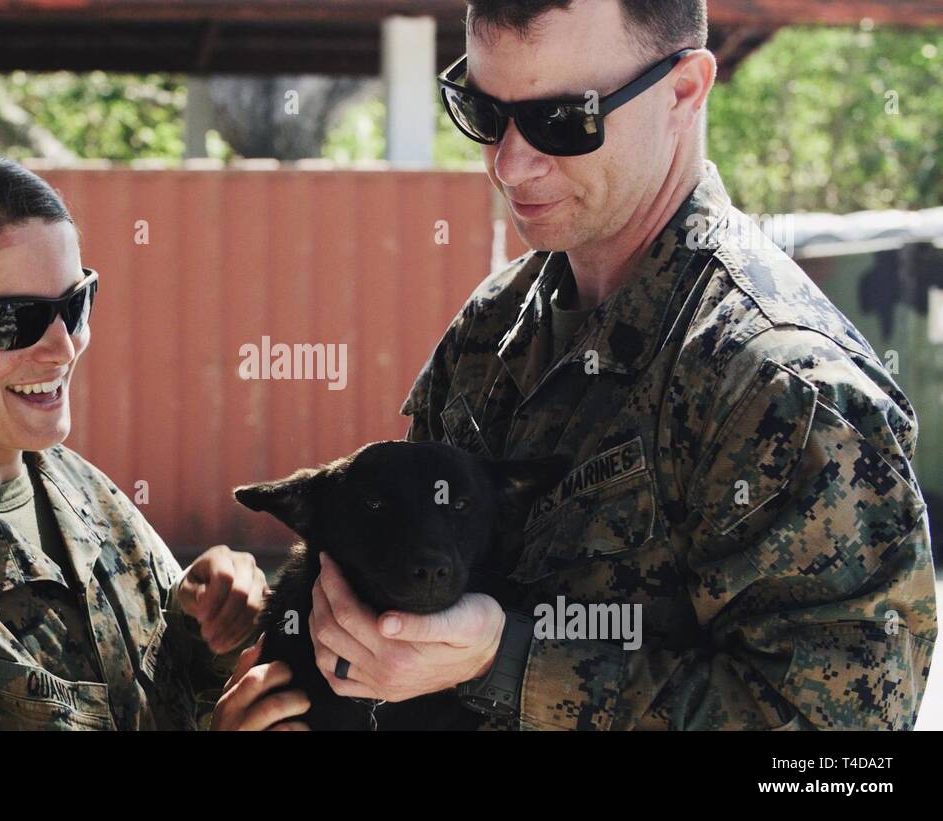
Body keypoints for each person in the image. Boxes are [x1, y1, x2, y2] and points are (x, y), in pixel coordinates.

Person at [306, 0, 936, 729]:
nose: (510, 161)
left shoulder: (783, 387)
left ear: (684, 92)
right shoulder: (491, 330)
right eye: (482, 111)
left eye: (563, 120)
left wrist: (506, 662)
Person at [0, 147, 303, 730]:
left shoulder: (73, 487)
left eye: (75, 304)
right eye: (11, 319)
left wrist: (209, 626)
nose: (63, 347)